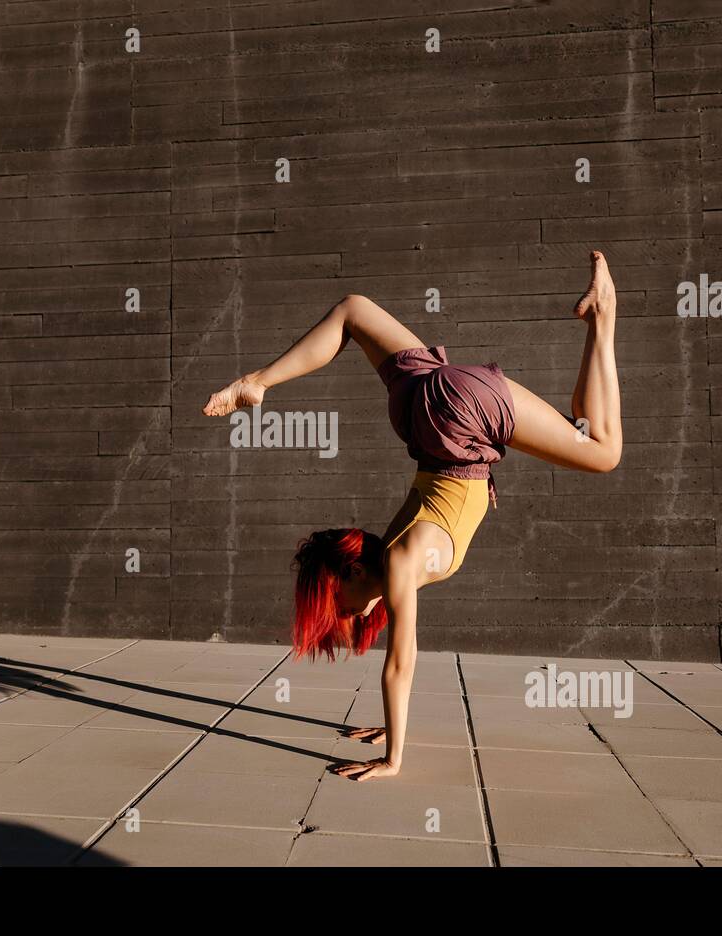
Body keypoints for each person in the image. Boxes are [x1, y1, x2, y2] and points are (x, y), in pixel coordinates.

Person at [202, 251, 622, 781]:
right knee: (353, 311)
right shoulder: (396, 538)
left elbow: (400, 666)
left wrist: (392, 757)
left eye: (338, 602)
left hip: (459, 419)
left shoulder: (399, 560)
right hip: (418, 406)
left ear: (354, 572)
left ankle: (605, 315)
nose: (346, 616)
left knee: (604, 451)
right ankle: (259, 381)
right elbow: (352, 308)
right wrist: (385, 724)